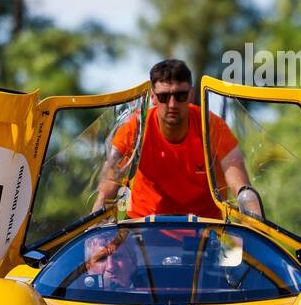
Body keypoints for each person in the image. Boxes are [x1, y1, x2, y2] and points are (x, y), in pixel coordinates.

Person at [92, 59, 259, 219]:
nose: (172, 104)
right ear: (153, 97)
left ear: (191, 94)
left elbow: (241, 188)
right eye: (164, 97)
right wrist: (97, 223)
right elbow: (108, 183)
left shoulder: (211, 126)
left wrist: (255, 228)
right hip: (143, 228)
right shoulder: (136, 127)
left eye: (180, 96)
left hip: (205, 232)